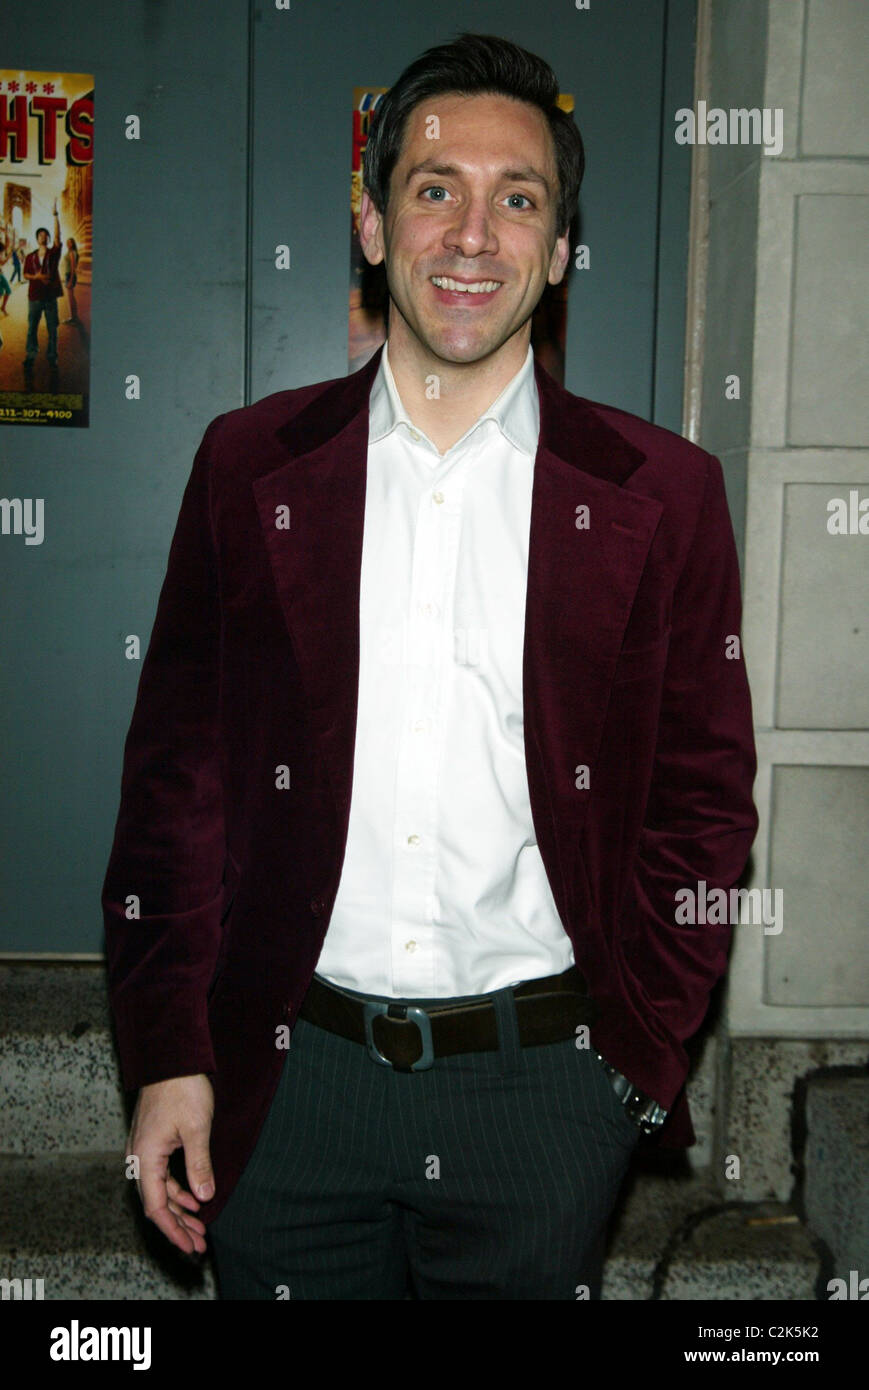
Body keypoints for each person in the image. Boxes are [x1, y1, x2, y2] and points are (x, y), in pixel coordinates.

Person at [102, 33, 758, 1300]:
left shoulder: (662, 496)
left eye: (517, 199)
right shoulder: (248, 469)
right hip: (285, 1080)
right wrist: (169, 1053)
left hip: (543, 1095)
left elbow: (706, 802)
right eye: (432, 187)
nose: (471, 234)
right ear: (368, 221)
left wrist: (632, 1058)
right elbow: (174, 791)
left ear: (560, 249)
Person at [23, 203, 63, 366]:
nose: (43, 236)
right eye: (40, 234)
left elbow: (58, 237)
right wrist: (36, 276)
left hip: (50, 297)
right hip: (34, 297)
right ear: (37, 238)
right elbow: (25, 274)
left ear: (47, 238)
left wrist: (55, 216)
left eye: (45, 234)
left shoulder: (53, 254)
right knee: (32, 328)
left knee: (52, 329)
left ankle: (52, 356)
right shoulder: (30, 256)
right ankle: (31, 355)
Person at [60, 237, 79, 323]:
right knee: (72, 297)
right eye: (67, 242)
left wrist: (71, 279)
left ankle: (73, 318)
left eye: (70, 243)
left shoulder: (71, 253)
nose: (68, 244)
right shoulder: (71, 252)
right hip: (69, 275)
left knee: (70, 298)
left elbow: (72, 267)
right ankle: (75, 316)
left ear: (73, 244)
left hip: (70, 276)